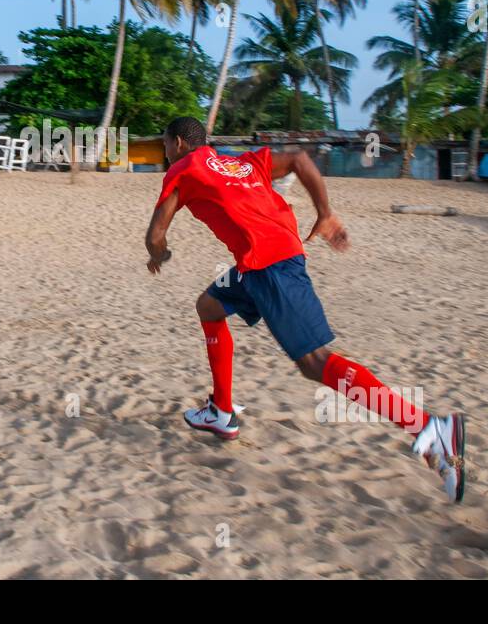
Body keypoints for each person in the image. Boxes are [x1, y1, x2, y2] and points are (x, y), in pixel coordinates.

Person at [144, 116, 465, 502]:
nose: (166, 153)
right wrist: (324, 213)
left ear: (178, 143)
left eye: (165, 146)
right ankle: (221, 411)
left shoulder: (182, 169)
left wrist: (159, 254)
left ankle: (427, 424)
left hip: (270, 268)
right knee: (209, 306)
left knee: (315, 363)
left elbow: (156, 233)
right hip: (262, 261)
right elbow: (299, 158)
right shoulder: (242, 160)